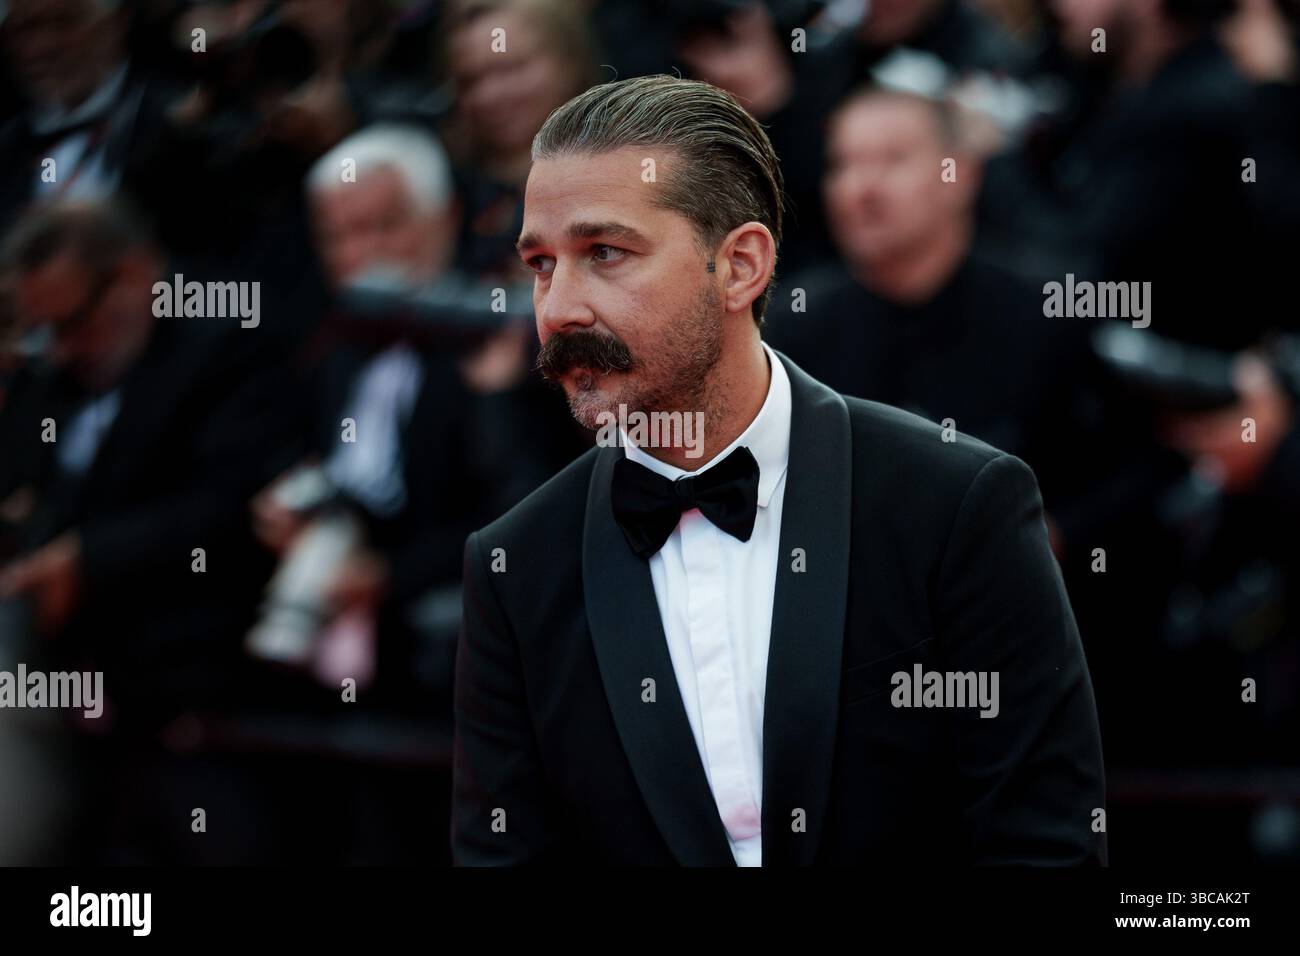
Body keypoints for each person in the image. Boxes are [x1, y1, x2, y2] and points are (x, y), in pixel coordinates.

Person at [451, 75, 1106, 866]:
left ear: (739, 266)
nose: (558, 309)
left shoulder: (956, 504)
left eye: (605, 253)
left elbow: (1045, 848)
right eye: (540, 264)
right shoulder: (516, 566)